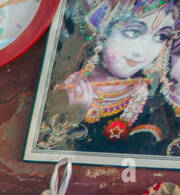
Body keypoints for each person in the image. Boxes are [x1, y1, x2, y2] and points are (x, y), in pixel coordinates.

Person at [52, 0, 178, 152]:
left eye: (160, 37)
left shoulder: (150, 104)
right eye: (133, 32)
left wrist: (77, 115)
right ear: (103, 31)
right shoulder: (61, 73)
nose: (142, 51)